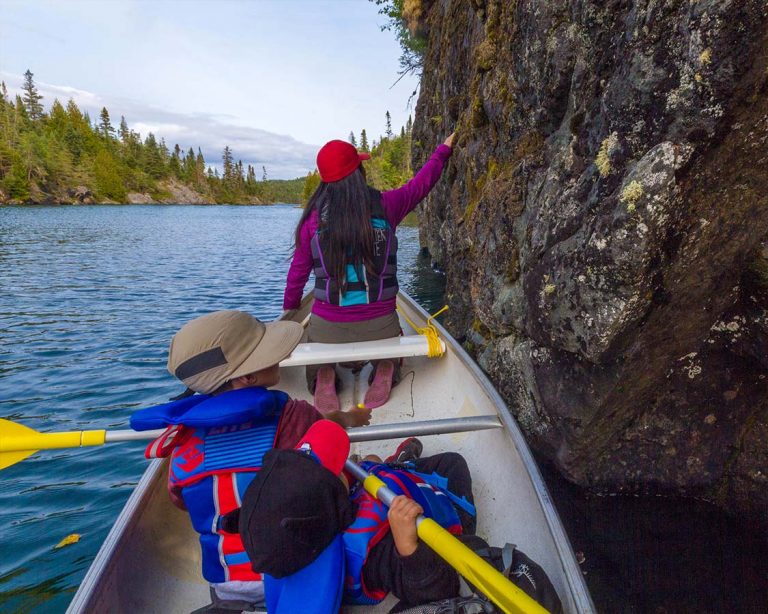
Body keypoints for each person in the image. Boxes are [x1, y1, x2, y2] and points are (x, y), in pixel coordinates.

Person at [129, 310, 371, 613]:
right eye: (267, 352)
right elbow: (327, 448)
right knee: (347, 476)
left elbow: (180, 500)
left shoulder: (182, 439)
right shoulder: (293, 415)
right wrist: (350, 418)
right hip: (291, 569)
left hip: (226, 581)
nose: (278, 357)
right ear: (248, 377)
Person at [283, 133, 455, 413]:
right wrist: (442, 152)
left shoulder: (311, 221)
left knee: (317, 347)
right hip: (381, 326)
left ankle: (323, 375)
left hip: (327, 330)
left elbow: (297, 276)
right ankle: (386, 366)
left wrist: (290, 312)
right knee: (387, 338)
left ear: (325, 182)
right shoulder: (388, 205)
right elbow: (422, 184)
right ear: (358, 173)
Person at [230, 420, 478, 613]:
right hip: (433, 521)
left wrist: (356, 474)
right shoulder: (372, 556)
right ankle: (394, 469)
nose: (341, 466)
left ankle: (388, 467)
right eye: (334, 472)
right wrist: (408, 548)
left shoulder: (293, 536)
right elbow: (437, 591)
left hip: (385, 494)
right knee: (452, 465)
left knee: (369, 465)